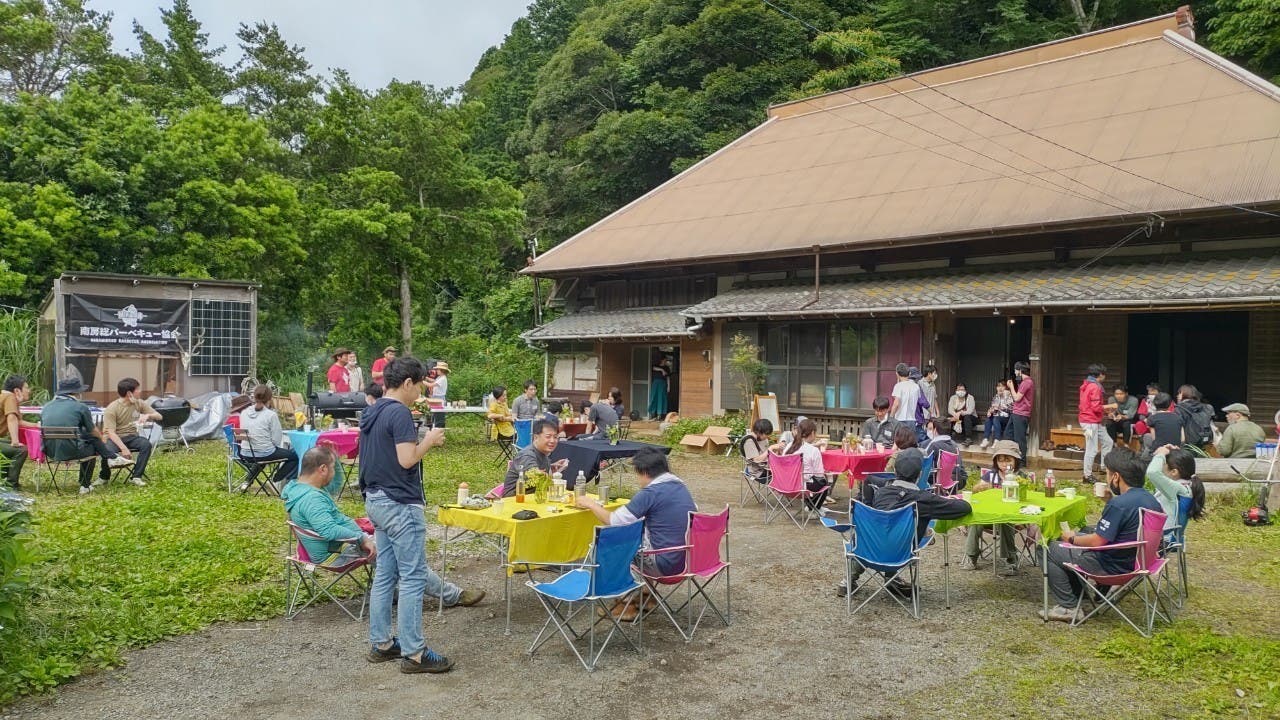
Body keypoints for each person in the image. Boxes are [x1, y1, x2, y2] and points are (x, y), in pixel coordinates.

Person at [361, 357, 484, 674]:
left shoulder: (372, 410)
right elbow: (406, 459)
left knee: (386, 575)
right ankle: (414, 653)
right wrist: (428, 440)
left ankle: (382, 644)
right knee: (413, 577)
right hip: (400, 503)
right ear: (406, 384)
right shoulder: (400, 412)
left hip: (375, 500)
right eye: (419, 386)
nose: (421, 392)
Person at [1042, 447, 1161, 622]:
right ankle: (1078, 596)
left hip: (1110, 566)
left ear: (1116, 477)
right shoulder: (1150, 499)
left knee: (1047, 547)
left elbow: (1098, 542)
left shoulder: (1119, 504)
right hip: (1138, 561)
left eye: (1107, 473)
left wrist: (1072, 539)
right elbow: (1128, 521)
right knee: (1085, 532)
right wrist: (1110, 500)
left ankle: (1069, 606)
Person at [576, 447, 696, 620]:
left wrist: (591, 504)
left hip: (663, 564)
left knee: (614, 544)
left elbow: (614, 520)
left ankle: (625, 605)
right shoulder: (680, 487)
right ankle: (646, 597)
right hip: (686, 560)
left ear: (645, 472)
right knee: (644, 536)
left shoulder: (651, 493)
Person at [836, 448, 972, 597]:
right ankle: (892, 579)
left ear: (894, 470)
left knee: (879, 532)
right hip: (901, 554)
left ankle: (848, 580)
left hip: (868, 553)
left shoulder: (881, 492)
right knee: (903, 533)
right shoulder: (923, 499)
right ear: (920, 474)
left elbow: (870, 485)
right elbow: (964, 508)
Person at [282, 445, 376, 564]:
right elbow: (329, 530)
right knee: (387, 547)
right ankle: (392, 581)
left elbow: (335, 487)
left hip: (337, 545)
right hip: (333, 554)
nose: (334, 472)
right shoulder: (311, 499)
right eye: (333, 468)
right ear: (323, 469)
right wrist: (362, 539)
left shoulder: (298, 488)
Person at [40, 377, 131, 494]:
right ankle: (86, 483)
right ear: (77, 392)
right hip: (73, 451)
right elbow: (92, 430)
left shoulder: (46, 407)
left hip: (51, 451)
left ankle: (111, 457)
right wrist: (102, 439)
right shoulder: (80, 407)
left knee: (86, 437)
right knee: (93, 443)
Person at [961, 439, 1025, 575]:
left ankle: (1011, 559)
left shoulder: (1021, 477)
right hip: (990, 518)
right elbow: (976, 490)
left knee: (1004, 521)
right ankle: (971, 556)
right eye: (1000, 460)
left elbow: (1029, 498)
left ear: (1016, 461)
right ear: (995, 462)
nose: (1004, 464)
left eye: (1008, 460)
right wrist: (979, 488)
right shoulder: (991, 475)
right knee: (976, 519)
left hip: (1012, 517)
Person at [102, 377, 161, 488]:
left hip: (132, 437)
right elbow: (111, 433)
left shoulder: (139, 403)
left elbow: (159, 416)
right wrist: (124, 449)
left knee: (146, 445)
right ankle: (104, 477)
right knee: (107, 449)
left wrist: (148, 415)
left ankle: (136, 477)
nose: (140, 391)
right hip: (115, 438)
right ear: (130, 393)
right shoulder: (112, 408)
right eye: (137, 389)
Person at [239, 384, 299, 489]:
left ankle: (247, 482)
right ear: (270, 399)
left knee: (261, 455)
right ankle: (276, 479)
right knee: (295, 456)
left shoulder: (244, 413)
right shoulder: (270, 415)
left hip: (245, 453)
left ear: (254, 396)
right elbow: (277, 439)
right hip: (262, 453)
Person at [501, 418, 570, 496]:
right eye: (548, 436)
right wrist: (554, 477)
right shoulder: (527, 455)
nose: (552, 441)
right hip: (515, 500)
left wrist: (551, 468)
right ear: (536, 437)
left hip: (534, 498)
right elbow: (534, 478)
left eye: (555, 437)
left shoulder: (543, 454)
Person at [1146, 444, 1206, 531]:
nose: (1161, 467)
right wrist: (1169, 453)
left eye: (1163, 464)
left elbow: (1152, 472)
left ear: (1174, 472)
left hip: (1167, 540)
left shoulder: (1177, 489)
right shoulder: (1186, 486)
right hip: (1173, 540)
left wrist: (1161, 455)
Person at [781, 418, 832, 509]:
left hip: (785, 483)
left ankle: (810, 507)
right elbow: (819, 474)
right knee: (823, 482)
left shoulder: (789, 446)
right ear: (812, 433)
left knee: (811, 479)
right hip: (801, 487)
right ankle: (813, 508)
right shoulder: (813, 450)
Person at [1, 375, 38, 490]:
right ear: (17, 390)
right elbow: (11, 418)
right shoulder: (10, 397)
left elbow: (18, 421)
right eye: (26, 387)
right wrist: (15, 441)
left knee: (10, 448)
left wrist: (36, 425)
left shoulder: (5, 396)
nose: (29, 390)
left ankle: (4, 480)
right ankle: (11, 485)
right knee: (21, 450)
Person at [1078, 363, 1113, 484]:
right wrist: (1110, 406)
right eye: (1104, 374)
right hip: (1089, 422)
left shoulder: (1087, 384)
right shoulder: (1095, 387)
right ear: (1101, 375)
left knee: (1108, 442)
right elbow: (1096, 407)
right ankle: (1087, 475)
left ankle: (1104, 466)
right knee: (1091, 449)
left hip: (1093, 421)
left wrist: (1106, 410)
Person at [1003, 361, 1034, 459]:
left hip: (1021, 414)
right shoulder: (1024, 382)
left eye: (1016, 370)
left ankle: (1022, 461)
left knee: (1019, 439)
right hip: (1016, 413)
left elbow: (1017, 398)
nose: (1015, 373)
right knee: (1008, 434)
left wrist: (1011, 387)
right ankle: (1012, 458)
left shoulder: (1027, 382)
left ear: (1020, 370)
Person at [1174, 384, 1215, 449]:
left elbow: (1179, 429)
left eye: (1179, 393)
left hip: (1188, 444)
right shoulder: (1207, 407)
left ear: (1184, 394)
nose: (1177, 396)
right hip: (1205, 442)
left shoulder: (1179, 409)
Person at [980, 381, 1013, 450]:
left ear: (1005, 388)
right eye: (998, 386)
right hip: (997, 417)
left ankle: (997, 440)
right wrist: (990, 411)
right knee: (989, 419)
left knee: (996, 418)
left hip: (1006, 418)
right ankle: (986, 439)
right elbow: (993, 407)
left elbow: (1011, 409)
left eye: (1002, 386)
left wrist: (999, 407)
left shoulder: (1009, 395)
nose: (1000, 388)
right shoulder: (996, 396)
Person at [889, 363, 921, 432]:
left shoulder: (898, 386)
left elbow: (896, 404)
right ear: (909, 373)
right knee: (910, 441)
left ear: (897, 374)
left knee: (899, 441)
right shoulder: (916, 386)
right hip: (912, 420)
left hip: (900, 420)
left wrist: (891, 417)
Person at [741, 418, 773, 483]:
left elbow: (765, 456)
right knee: (783, 476)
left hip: (765, 467)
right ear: (758, 431)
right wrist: (770, 449)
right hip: (756, 472)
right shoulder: (749, 441)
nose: (767, 436)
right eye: (766, 434)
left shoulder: (764, 439)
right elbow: (756, 460)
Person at [426, 361, 449, 428]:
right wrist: (426, 378)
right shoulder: (440, 377)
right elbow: (433, 381)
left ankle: (439, 430)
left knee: (439, 417)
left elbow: (431, 385)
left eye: (438, 369)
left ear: (442, 370)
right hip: (436, 398)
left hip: (439, 399)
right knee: (435, 415)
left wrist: (421, 381)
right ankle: (434, 429)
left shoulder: (443, 379)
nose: (436, 370)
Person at [648, 353, 670, 420]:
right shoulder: (656, 366)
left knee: (661, 398)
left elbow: (668, 378)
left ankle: (659, 414)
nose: (665, 361)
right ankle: (652, 413)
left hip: (662, 383)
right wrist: (661, 370)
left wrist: (669, 386)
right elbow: (653, 368)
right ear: (662, 360)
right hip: (655, 383)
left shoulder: (667, 368)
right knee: (654, 397)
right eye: (665, 360)